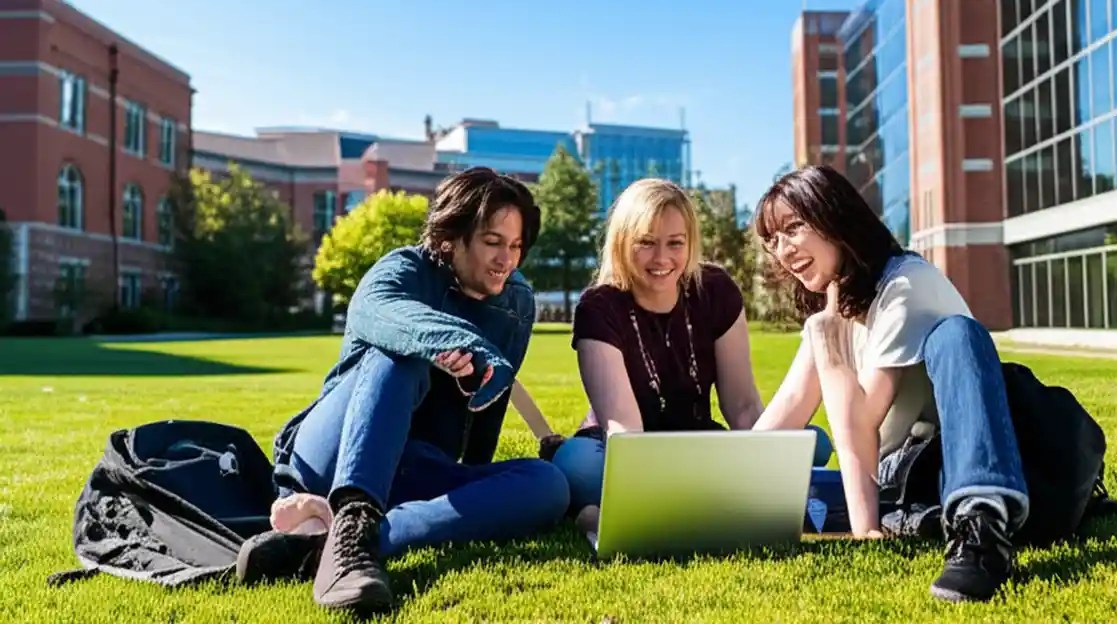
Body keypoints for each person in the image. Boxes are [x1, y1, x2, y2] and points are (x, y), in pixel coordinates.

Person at [239, 168, 570, 614]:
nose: (506, 260)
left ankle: (330, 541)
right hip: (334, 458)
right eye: (493, 242)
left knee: (548, 484)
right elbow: (375, 308)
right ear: (452, 238)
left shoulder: (516, 301)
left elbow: (488, 407)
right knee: (402, 355)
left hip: (415, 470)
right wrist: (450, 342)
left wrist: (479, 483)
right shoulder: (403, 269)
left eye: (515, 246)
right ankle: (351, 526)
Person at [751, 165, 1029, 604]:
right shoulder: (834, 305)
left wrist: (865, 531)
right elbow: (786, 410)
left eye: (794, 229)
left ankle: (981, 528)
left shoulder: (905, 285)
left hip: (948, 464)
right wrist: (724, 481)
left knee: (955, 332)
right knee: (773, 500)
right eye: (774, 240)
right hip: (895, 479)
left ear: (834, 216)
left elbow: (862, 425)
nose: (783, 251)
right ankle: (919, 518)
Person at [551, 179, 830, 523]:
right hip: (619, 447)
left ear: (690, 243)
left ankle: (625, 505)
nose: (662, 258)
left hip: (696, 437)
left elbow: (742, 406)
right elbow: (624, 429)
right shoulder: (598, 307)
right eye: (646, 243)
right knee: (576, 467)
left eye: (675, 243)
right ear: (622, 243)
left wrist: (767, 450)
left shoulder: (715, 290)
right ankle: (700, 494)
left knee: (814, 443)